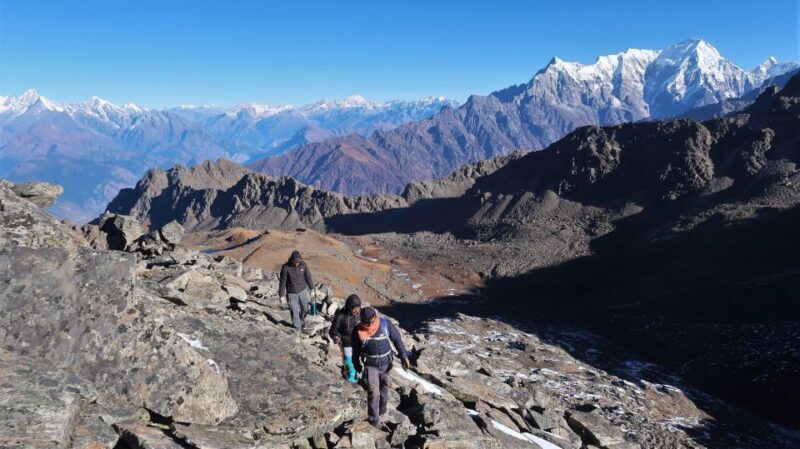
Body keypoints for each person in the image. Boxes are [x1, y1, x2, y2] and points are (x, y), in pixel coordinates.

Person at [352, 307, 411, 427]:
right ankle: (374, 419)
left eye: (372, 321)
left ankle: (382, 409)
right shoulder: (358, 331)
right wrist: (356, 363)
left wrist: (404, 356)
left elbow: (397, 340)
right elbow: (356, 350)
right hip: (370, 366)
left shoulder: (385, 324)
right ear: (362, 321)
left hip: (386, 364)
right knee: (374, 392)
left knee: (384, 389)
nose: (370, 324)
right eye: (366, 322)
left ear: (375, 317)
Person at [328, 294, 362, 383]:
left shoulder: (360, 314)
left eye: (358, 308)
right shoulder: (340, 315)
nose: (357, 310)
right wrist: (336, 337)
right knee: (349, 363)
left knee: (364, 363)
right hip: (346, 344)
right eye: (355, 308)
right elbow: (332, 331)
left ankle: (365, 379)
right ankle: (352, 380)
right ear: (349, 307)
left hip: (360, 343)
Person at [279, 250, 315, 331]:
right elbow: (283, 281)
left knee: (305, 309)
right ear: (291, 260)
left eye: (298, 262)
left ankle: (302, 322)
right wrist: (281, 295)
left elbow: (308, 277)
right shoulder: (286, 267)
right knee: (294, 312)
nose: (296, 263)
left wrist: (312, 288)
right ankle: (297, 328)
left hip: (303, 291)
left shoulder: (303, 265)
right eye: (295, 262)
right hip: (291, 293)